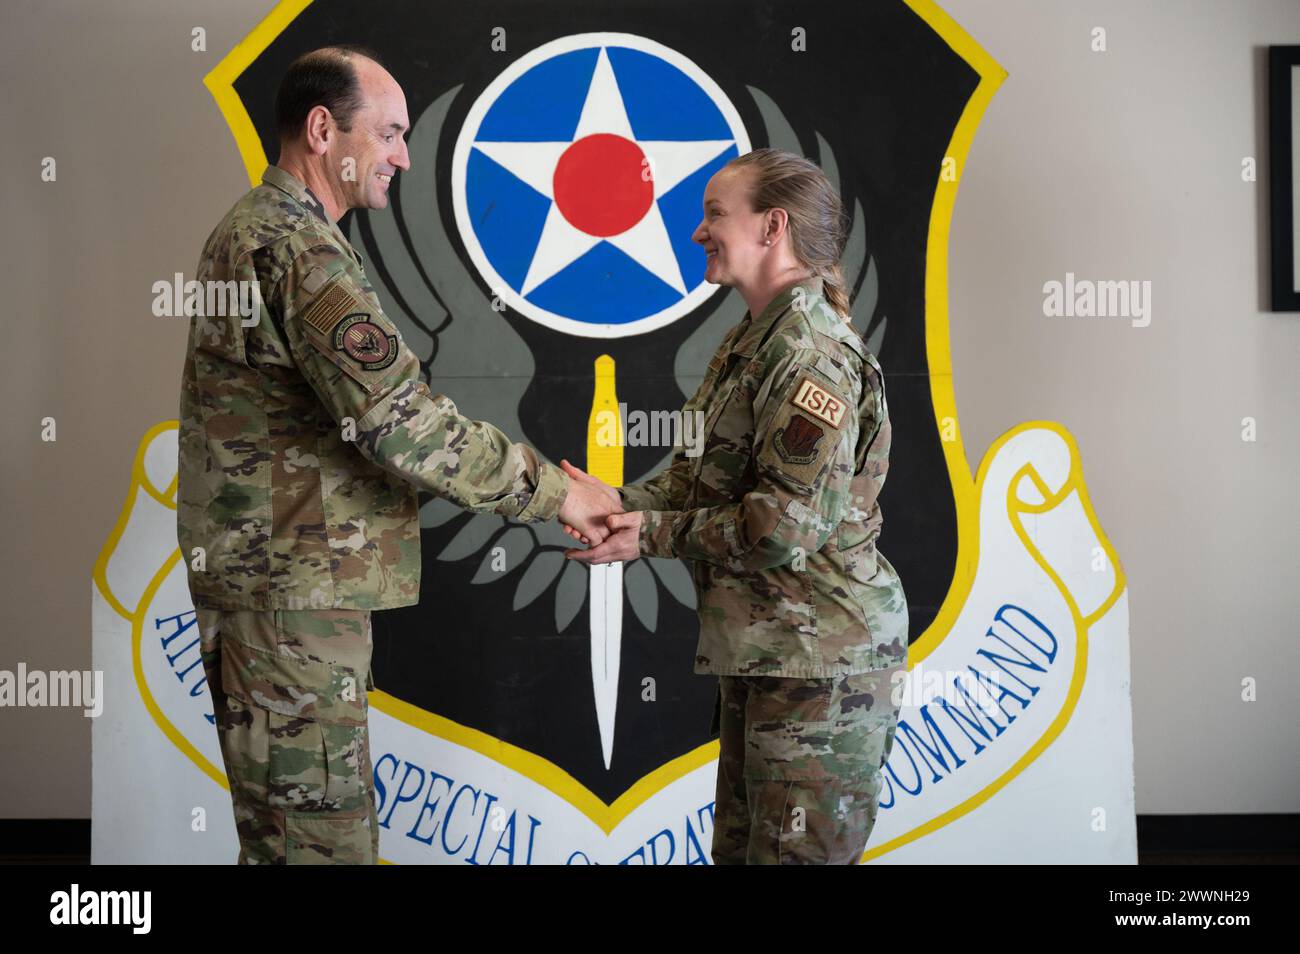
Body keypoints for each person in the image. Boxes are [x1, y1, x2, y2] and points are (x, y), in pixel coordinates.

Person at [176, 46, 616, 864]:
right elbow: (400, 422)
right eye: (388, 133)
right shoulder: (295, 250)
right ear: (321, 130)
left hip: (288, 595)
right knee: (315, 848)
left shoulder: (278, 237)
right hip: (289, 604)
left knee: (301, 841)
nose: (403, 156)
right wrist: (557, 493)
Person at [562, 148, 909, 864]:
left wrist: (645, 535)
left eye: (715, 214)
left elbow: (784, 529)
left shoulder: (808, 353)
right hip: (770, 656)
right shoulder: (753, 340)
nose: (698, 233)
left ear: (771, 226)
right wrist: (611, 502)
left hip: (818, 667)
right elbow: (697, 478)